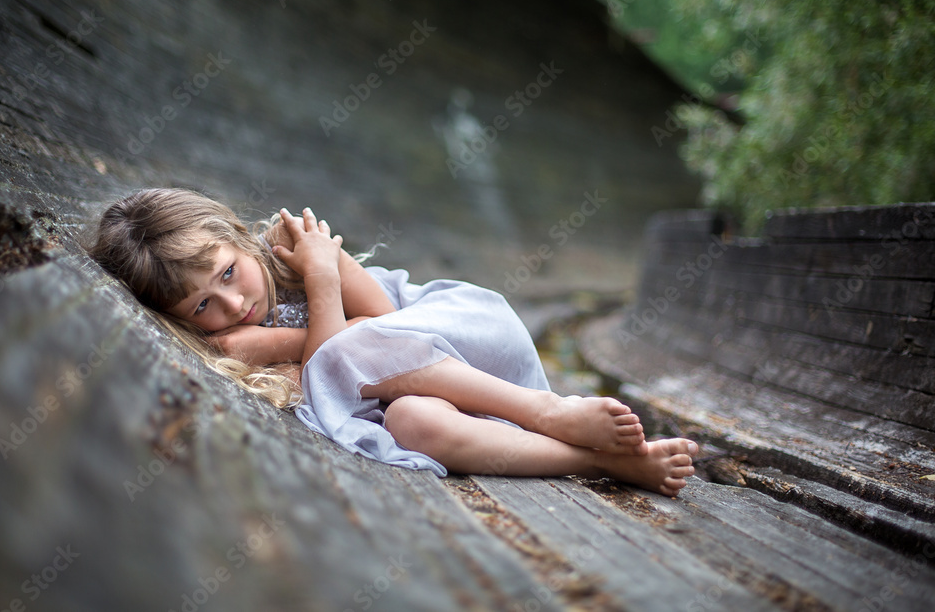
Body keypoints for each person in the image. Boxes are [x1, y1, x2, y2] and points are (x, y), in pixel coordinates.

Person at [90, 188, 696, 497]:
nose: (231, 304)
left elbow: (383, 329)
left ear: (235, 239)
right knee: (413, 423)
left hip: (476, 341)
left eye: (227, 273)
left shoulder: (298, 253)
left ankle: (549, 412)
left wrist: (320, 282)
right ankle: (600, 460)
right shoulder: (229, 340)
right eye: (201, 306)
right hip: (442, 400)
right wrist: (320, 308)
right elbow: (345, 366)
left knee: (365, 345)